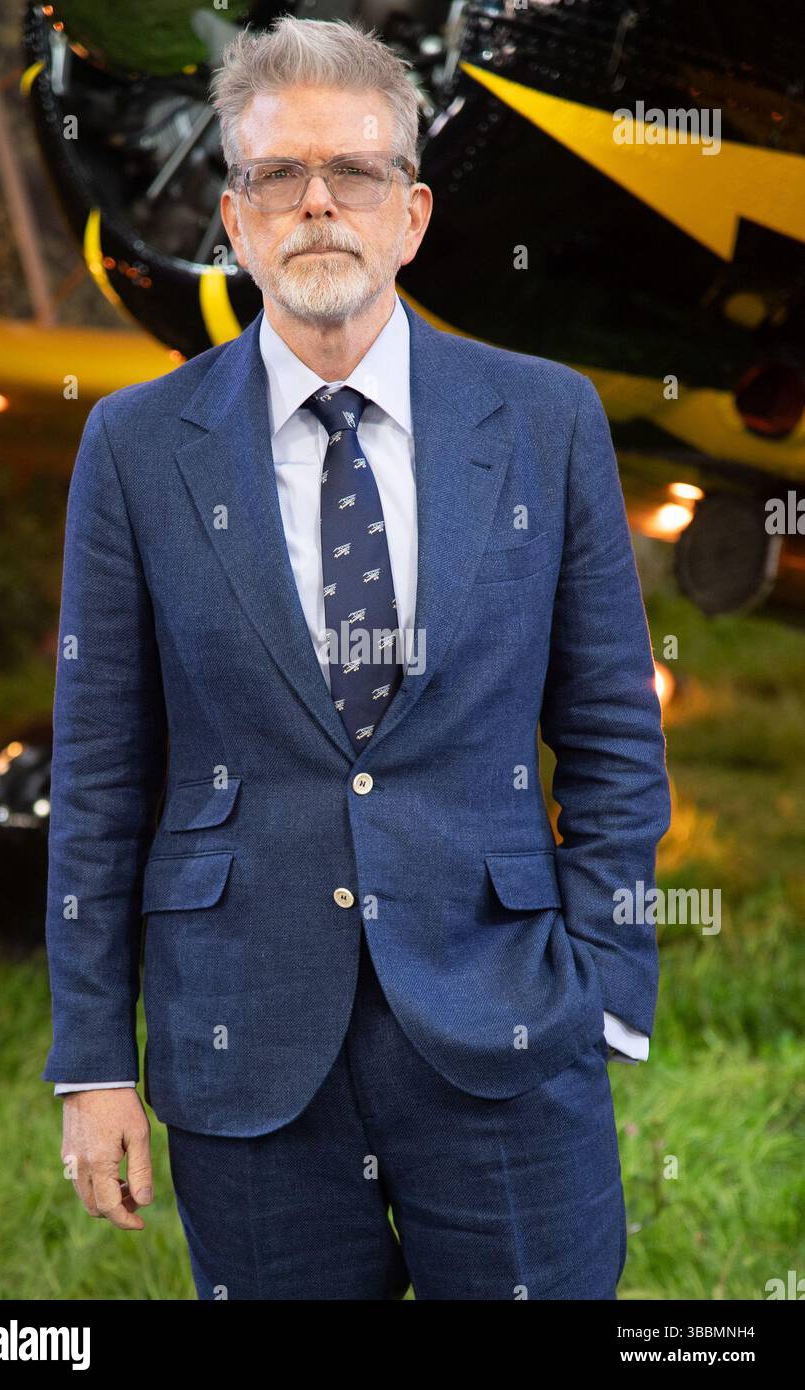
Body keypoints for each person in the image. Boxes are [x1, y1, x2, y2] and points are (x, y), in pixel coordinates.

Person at [44, 15, 671, 1300]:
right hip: (248, 1048)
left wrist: (602, 987)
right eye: (279, 175)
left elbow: (611, 724)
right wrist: (94, 1061)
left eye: (356, 173)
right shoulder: (133, 444)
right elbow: (102, 774)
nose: (317, 202)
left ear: (414, 214)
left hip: (505, 1028)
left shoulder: (545, 419)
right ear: (233, 215)